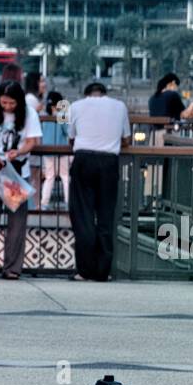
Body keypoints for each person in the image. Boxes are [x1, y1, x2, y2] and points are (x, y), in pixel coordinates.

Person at [67, 81, 131, 281]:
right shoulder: (120, 106)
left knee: (83, 215)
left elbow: (71, 138)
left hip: (84, 159)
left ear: (87, 94)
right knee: (105, 215)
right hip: (109, 161)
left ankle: (85, 270)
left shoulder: (75, 106)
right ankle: (103, 271)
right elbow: (126, 139)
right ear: (104, 93)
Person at [0, 80, 41, 279]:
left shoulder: (29, 114)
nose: (7, 107)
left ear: (19, 102)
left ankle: (12, 268)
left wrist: (19, 151)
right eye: (4, 103)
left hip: (17, 172)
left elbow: (32, 141)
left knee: (17, 221)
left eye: (11, 104)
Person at [40, 87, 70, 208]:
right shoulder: (62, 115)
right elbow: (67, 131)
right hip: (61, 150)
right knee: (65, 177)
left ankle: (44, 203)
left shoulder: (43, 115)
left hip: (47, 150)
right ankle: (68, 203)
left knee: (49, 177)